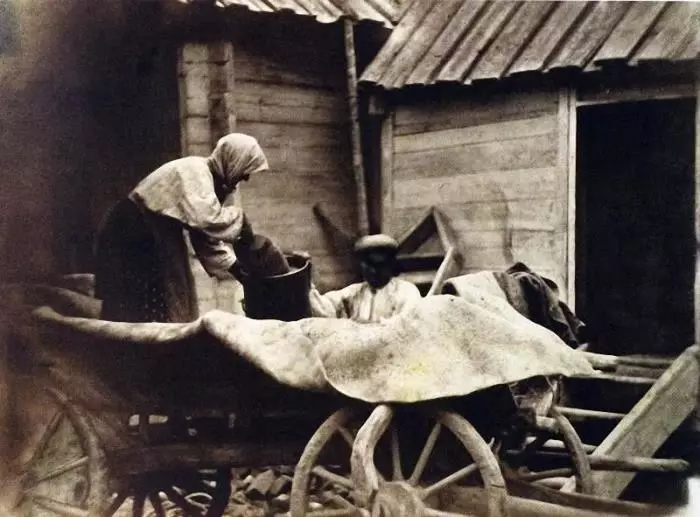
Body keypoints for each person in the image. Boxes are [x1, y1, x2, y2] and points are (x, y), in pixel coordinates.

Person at [94, 133, 268, 323]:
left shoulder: (211, 185)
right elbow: (207, 220)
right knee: (143, 303)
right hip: (132, 230)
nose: (247, 177)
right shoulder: (196, 172)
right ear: (234, 160)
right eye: (246, 169)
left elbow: (205, 237)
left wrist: (240, 273)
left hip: (155, 232)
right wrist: (242, 222)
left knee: (173, 295)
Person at [309, 234, 421, 323]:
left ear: (390, 264)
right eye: (368, 265)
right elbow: (323, 307)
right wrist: (302, 273)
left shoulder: (407, 292)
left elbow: (406, 326)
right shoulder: (353, 293)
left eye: (379, 265)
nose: (373, 271)